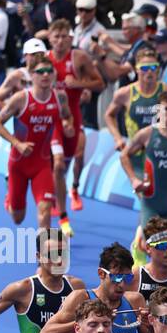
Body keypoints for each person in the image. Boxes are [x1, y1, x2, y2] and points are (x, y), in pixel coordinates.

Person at [0, 50, 72, 230]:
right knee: (17, 217)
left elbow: (67, 116)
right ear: (32, 76)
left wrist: (68, 125)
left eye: (49, 71)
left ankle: (44, 257)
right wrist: (17, 144)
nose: (45, 75)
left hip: (42, 165)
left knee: (44, 212)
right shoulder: (21, 98)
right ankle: (10, 198)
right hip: (18, 164)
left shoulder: (60, 97)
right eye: (40, 72)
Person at [122, 91, 167, 267]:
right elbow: (124, 156)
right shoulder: (147, 134)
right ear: (158, 110)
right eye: (166, 109)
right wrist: (134, 179)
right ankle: (139, 244)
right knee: (150, 245)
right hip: (151, 200)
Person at [46, 18, 103, 235]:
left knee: (65, 165)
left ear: (71, 38)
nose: (60, 41)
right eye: (56, 37)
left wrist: (78, 84)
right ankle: (62, 216)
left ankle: (63, 193)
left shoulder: (79, 57)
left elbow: (100, 83)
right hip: (52, 122)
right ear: (50, 38)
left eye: (64, 37)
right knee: (58, 165)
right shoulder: (45, 60)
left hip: (74, 118)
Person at [40, 242, 145, 333]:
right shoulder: (80, 299)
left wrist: (148, 327)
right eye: (117, 277)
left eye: (128, 278)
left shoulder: (135, 301)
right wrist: (87, 322)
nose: (122, 285)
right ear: (101, 273)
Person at [0, 36, 48, 110]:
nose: (38, 58)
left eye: (41, 54)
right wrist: (20, 112)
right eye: (33, 54)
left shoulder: (50, 74)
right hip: (23, 120)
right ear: (25, 56)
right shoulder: (16, 76)